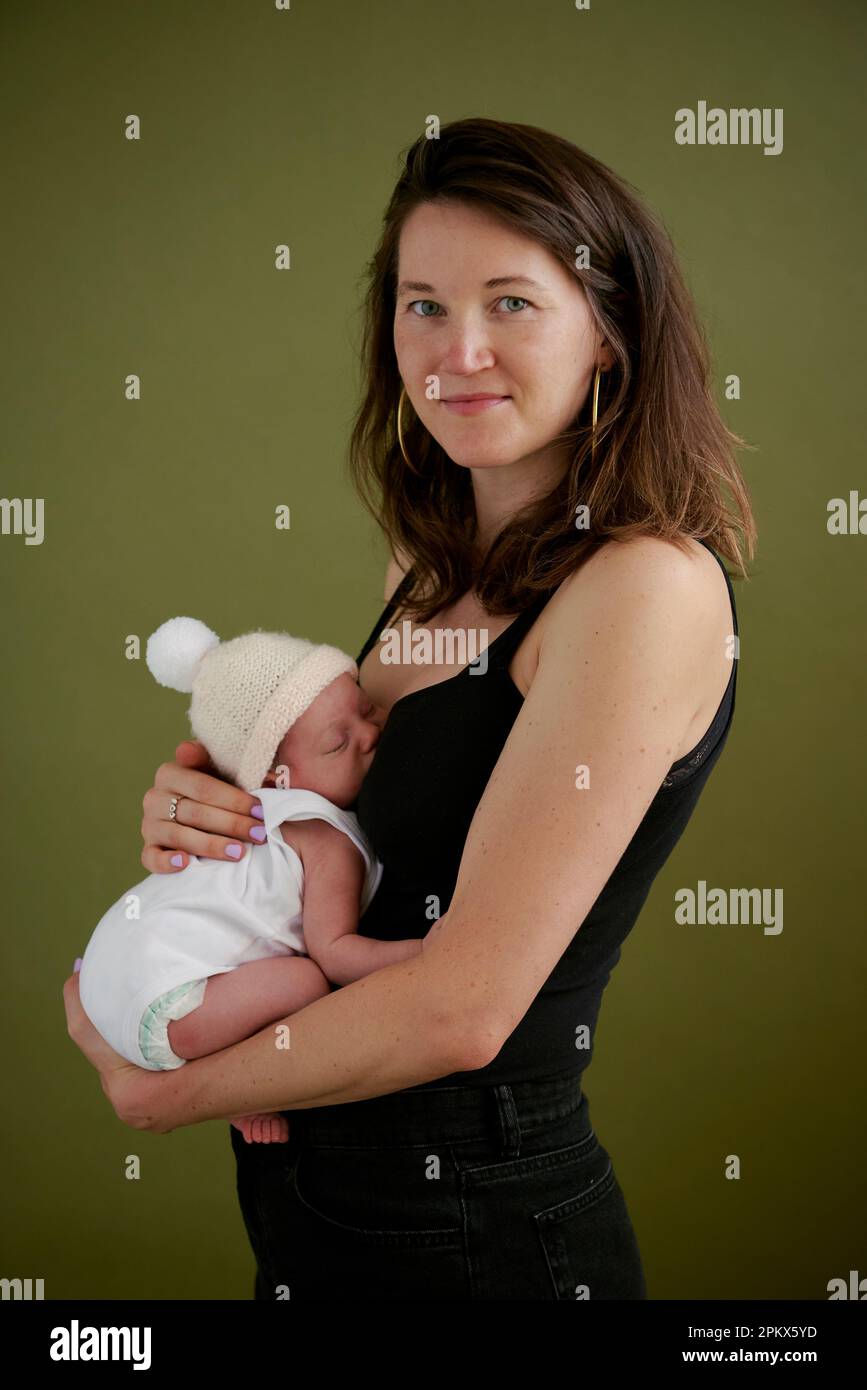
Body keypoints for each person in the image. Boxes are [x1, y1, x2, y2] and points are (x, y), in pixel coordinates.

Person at [64, 116, 756, 1300]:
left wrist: (157, 1081)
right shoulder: (427, 559)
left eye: (511, 302)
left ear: (610, 331)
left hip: (474, 1230)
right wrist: (220, 818)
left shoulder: (643, 585)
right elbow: (368, 826)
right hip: (323, 1206)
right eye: (423, 304)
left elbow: (464, 1010)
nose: (457, 350)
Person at [77, 614, 419, 1145]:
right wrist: (423, 953)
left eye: (366, 708)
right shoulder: (322, 834)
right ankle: (244, 1092)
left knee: (270, 978)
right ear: (273, 779)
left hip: (105, 975)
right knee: (306, 981)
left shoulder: (255, 814)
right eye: (337, 743)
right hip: (166, 1001)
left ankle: (225, 1080)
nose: (372, 734)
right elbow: (337, 953)